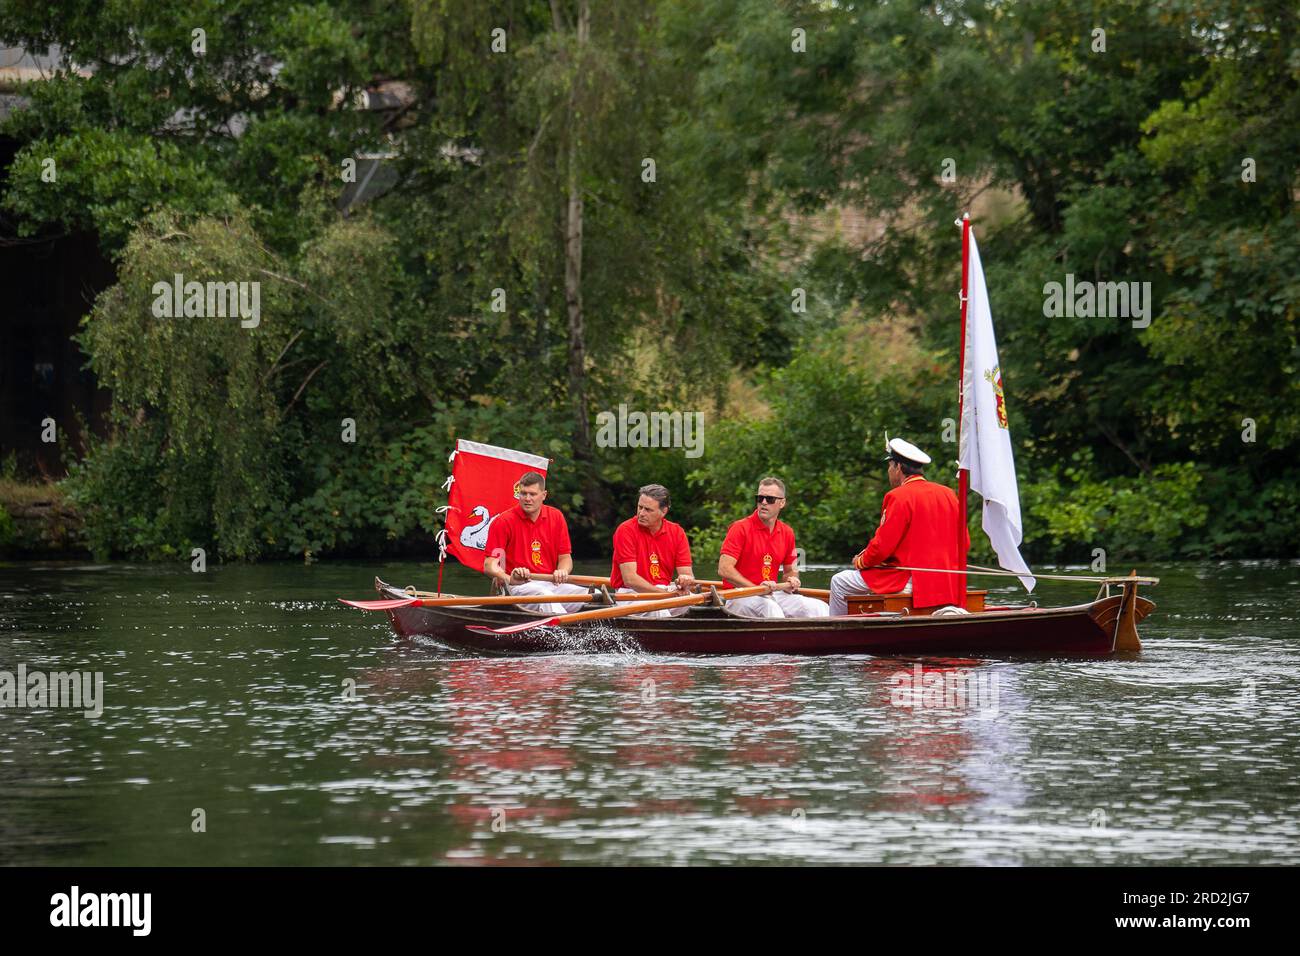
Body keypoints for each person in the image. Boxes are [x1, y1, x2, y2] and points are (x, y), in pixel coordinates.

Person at [828, 438, 969, 615]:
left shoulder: (898, 496)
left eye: (890, 466)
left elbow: (882, 547)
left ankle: (839, 632)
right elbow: (965, 544)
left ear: (899, 468)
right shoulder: (949, 494)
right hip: (948, 583)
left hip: (911, 581)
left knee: (839, 581)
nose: (888, 471)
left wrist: (860, 561)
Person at [717, 477, 829, 618]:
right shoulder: (739, 528)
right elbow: (724, 569)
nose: (763, 502)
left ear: (782, 503)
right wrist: (756, 589)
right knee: (770, 608)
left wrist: (792, 580)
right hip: (738, 595)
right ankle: (781, 640)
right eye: (760, 498)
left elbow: (791, 571)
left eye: (769, 499)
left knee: (818, 607)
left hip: (770, 593)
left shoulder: (787, 532)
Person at [482, 471, 590, 615]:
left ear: (544, 495)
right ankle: (567, 635)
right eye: (523, 493)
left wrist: (562, 571)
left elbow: (565, 559)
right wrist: (510, 579)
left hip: (552, 583)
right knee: (547, 597)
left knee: (590, 595)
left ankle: (601, 631)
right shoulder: (503, 521)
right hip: (519, 587)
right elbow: (489, 566)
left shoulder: (556, 517)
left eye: (532, 494)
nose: (527, 499)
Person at [609, 484, 695, 617]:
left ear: (664, 511)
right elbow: (630, 580)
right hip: (630, 594)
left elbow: (688, 575)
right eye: (640, 507)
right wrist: (665, 596)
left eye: (648, 510)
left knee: (698, 605)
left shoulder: (677, 532)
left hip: (664, 590)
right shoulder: (625, 530)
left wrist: (684, 581)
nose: (641, 513)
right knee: (658, 610)